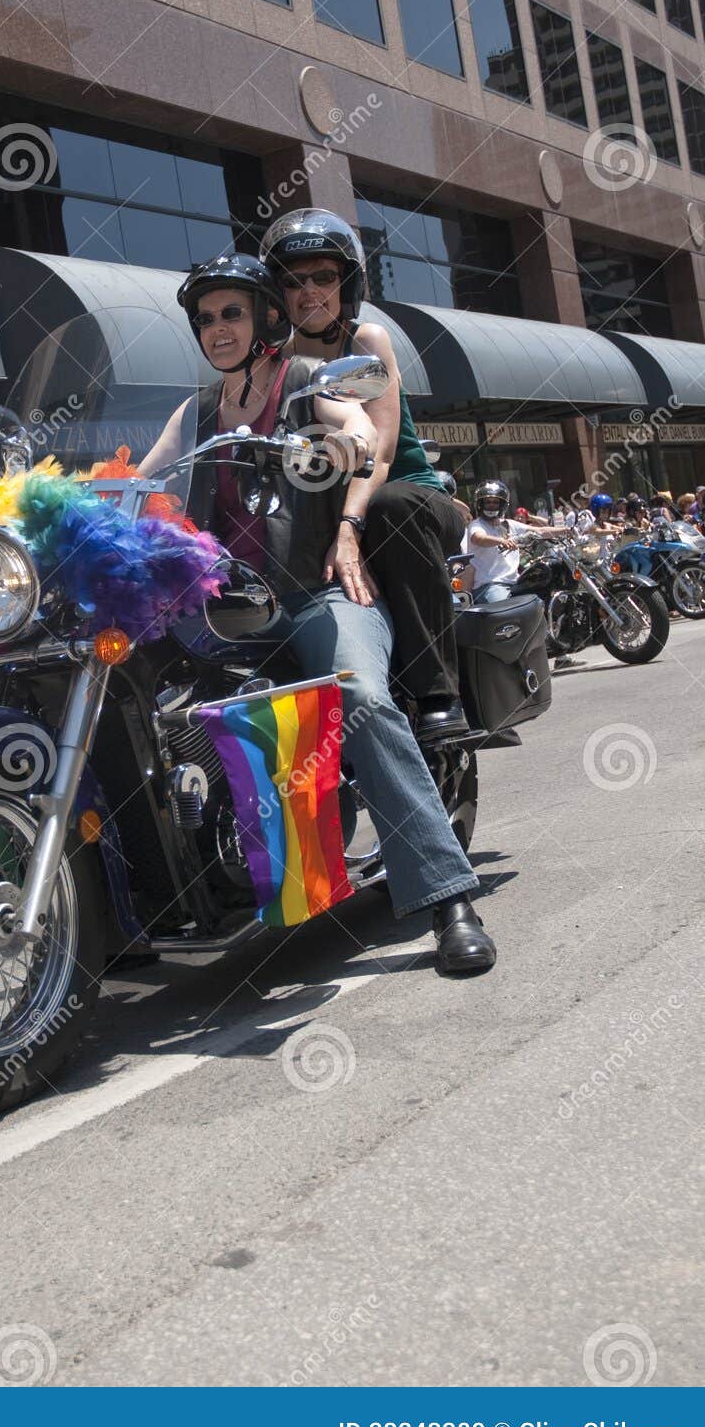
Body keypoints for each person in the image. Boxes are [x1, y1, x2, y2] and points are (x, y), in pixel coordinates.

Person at [142, 250, 495, 975]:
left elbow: (360, 432)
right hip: (227, 610)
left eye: (231, 312)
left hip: (314, 594)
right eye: (205, 318)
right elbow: (140, 476)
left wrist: (341, 442)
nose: (217, 328)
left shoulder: (308, 380)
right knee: (130, 672)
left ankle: (447, 897)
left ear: (267, 316)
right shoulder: (196, 411)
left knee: (359, 698)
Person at [259, 208, 470, 745]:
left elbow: (382, 444)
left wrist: (349, 530)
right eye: (292, 280)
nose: (309, 293)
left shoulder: (366, 340)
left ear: (346, 284)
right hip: (323, 518)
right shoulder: (274, 363)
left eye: (324, 278)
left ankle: (437, 693)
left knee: (390, 508)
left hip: (407, 502)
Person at [466, 482, 565, 603]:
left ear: (502, 505)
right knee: (506, 611)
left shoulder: (509, 524)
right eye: (488, 502)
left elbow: (540, 530)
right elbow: (478, 538)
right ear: (480, 504)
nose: (491, 506)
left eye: (495, 502)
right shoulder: (476, 525)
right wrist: (501, 541)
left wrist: (566, 530)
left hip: (515, 583)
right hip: (491, 585)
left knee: (540, 601)